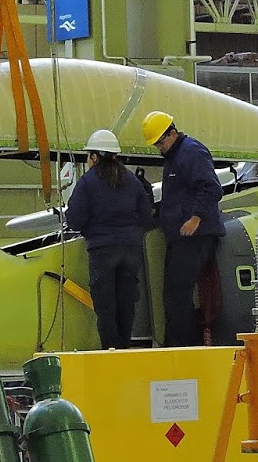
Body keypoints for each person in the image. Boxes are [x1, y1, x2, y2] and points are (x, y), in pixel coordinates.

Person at [64, 129, 154, 349]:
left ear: (95, 156)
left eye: (88, 156)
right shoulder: (131, 180)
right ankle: (124, 349)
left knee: (105, 306)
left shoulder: (88, 182)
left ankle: (110, 352)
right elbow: (146, 213)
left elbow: (74, 219)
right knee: (126, 303)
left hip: (102, 250)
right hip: (131, 250)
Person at [144, 109, 225, 347]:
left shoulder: (191, 152)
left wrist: (195, 219)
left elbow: (211, 189)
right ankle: (180, 344)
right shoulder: (176, 156)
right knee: (174, 293)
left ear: (172, 133)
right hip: (183, 236)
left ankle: (183, 346)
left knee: (177, 293)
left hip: (196, 235)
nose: (158, 147)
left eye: (160, 142)